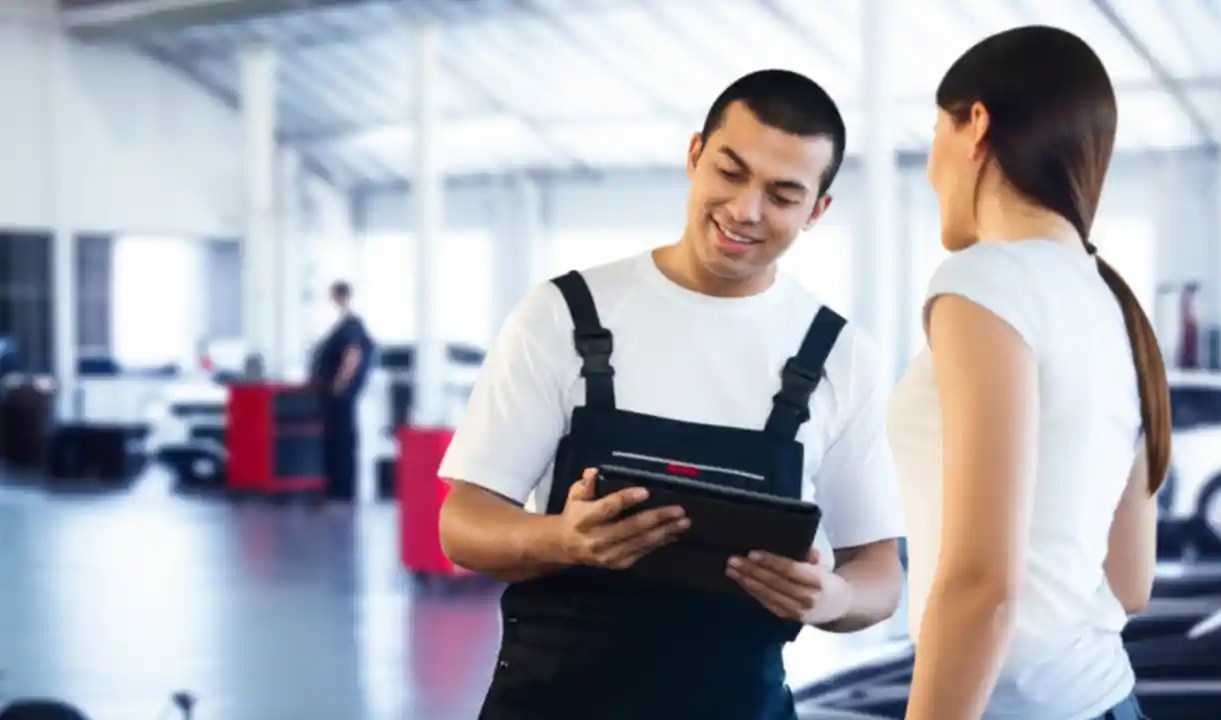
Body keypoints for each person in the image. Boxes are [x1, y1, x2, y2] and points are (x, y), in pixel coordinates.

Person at [437, 69, 905, 719]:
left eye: (782, 195)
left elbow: (878, 570)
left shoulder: (838, 355)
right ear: (694, 155)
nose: (745, 210)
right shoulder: (564, 315)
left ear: (817, 211)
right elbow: (462, 524)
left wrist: (833, 599)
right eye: (730, 172)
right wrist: (563, 539)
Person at [887, 26, 1169, 720]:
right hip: (1104, 697)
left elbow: (981, 584)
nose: (931, 166)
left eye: (936, 131)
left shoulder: (985, 281)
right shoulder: (1112, 302)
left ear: (976, 125)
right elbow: (1129, 582)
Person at [310, 280, 373, 504]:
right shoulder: (345, 323)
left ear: (337, 295)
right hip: (337, 394)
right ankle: (336, 487)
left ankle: (341, 489)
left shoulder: (351, 325)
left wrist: (340, 383)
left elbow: (352, 355)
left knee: (341, 440)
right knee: (337, 439)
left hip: (341, 395)